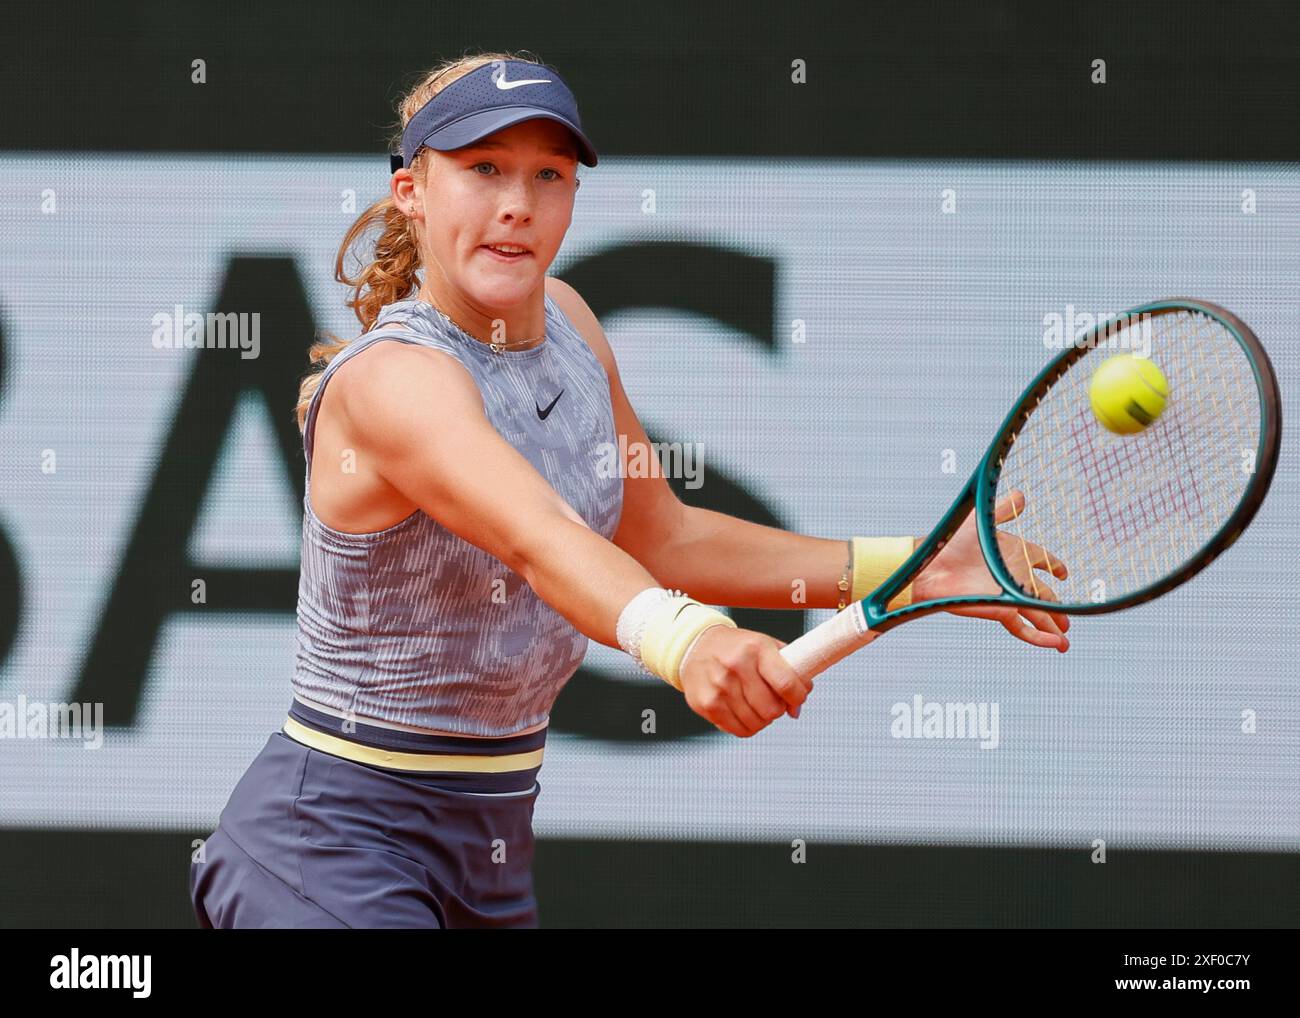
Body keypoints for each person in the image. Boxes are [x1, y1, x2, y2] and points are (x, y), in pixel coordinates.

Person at [189, 50, 1070, 929]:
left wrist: (914, 570)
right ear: (410, 191)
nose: (516, 205)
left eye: (549, 175)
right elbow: (542, 536)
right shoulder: (396, 380)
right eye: (482, 169)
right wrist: (686, 640)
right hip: (329, 844)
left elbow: (662, 538)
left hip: (488, 846)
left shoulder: (570, 323)